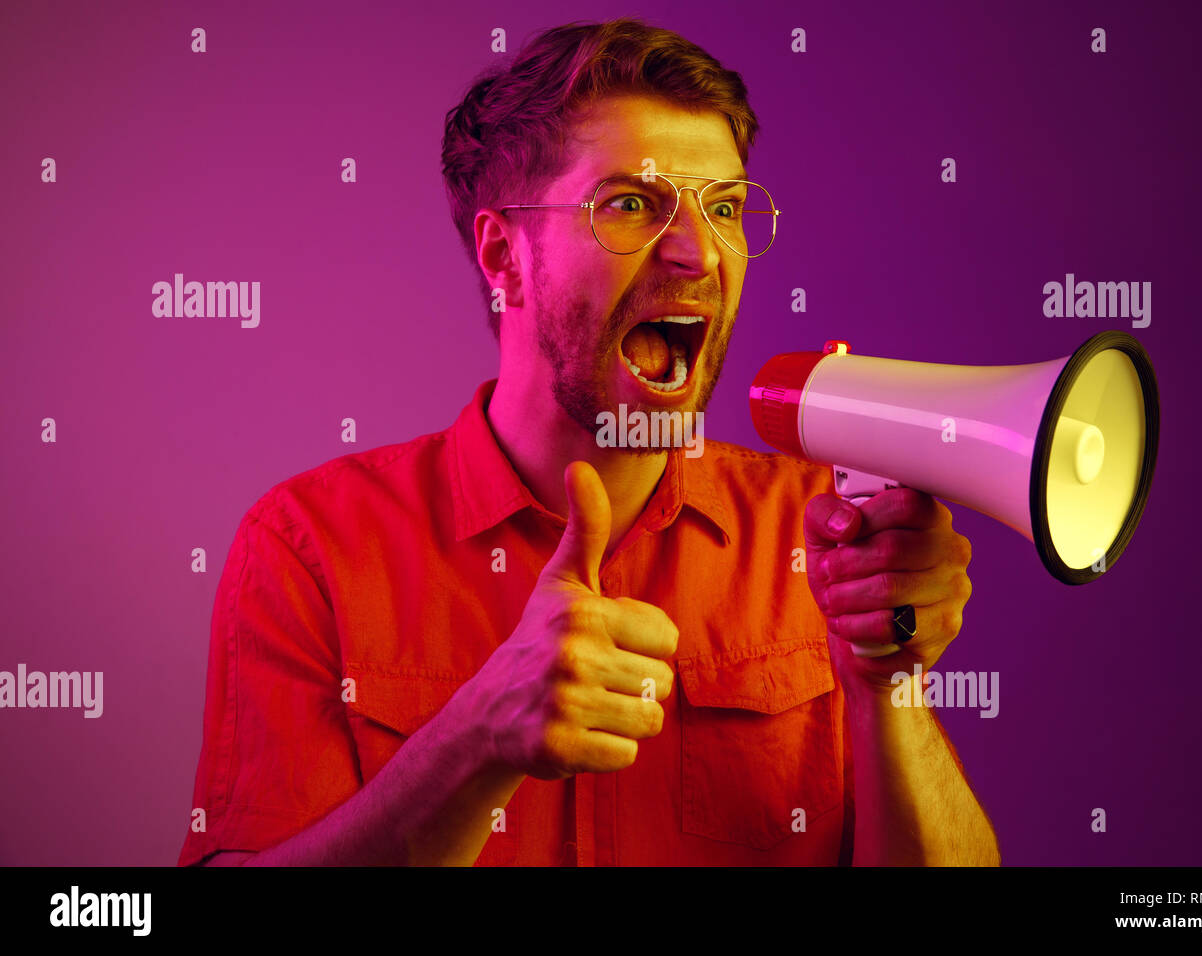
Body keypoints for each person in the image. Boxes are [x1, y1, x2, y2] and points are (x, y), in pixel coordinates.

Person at [178, 17, 997, 867]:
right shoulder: (310, 545)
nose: (699, 254)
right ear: (505, 257)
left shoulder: (822, 529)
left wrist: (887, 683)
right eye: (632, 205)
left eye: (724, 208)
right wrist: (472, 745)